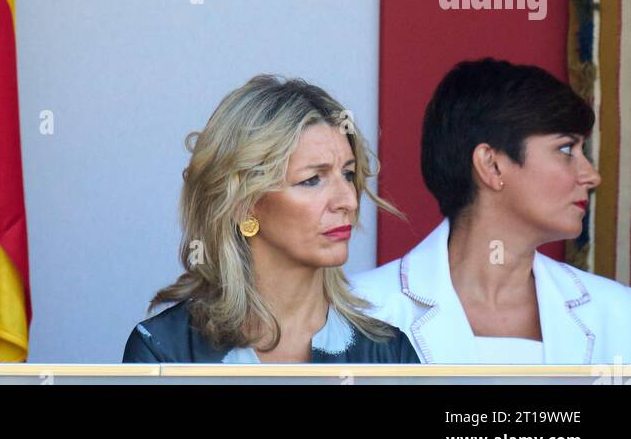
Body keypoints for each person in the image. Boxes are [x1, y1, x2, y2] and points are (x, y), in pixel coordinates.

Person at [349, 58, 631, 363]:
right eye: (565, 150)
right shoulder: (361, 312)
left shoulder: (617, 313)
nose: (592, 176)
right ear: (491, 164)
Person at [122, 74, 419, 363]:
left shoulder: (389, 354)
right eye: (313, 179)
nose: (349, 201)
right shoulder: (165, 351)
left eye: (348, 174)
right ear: (243, 204)